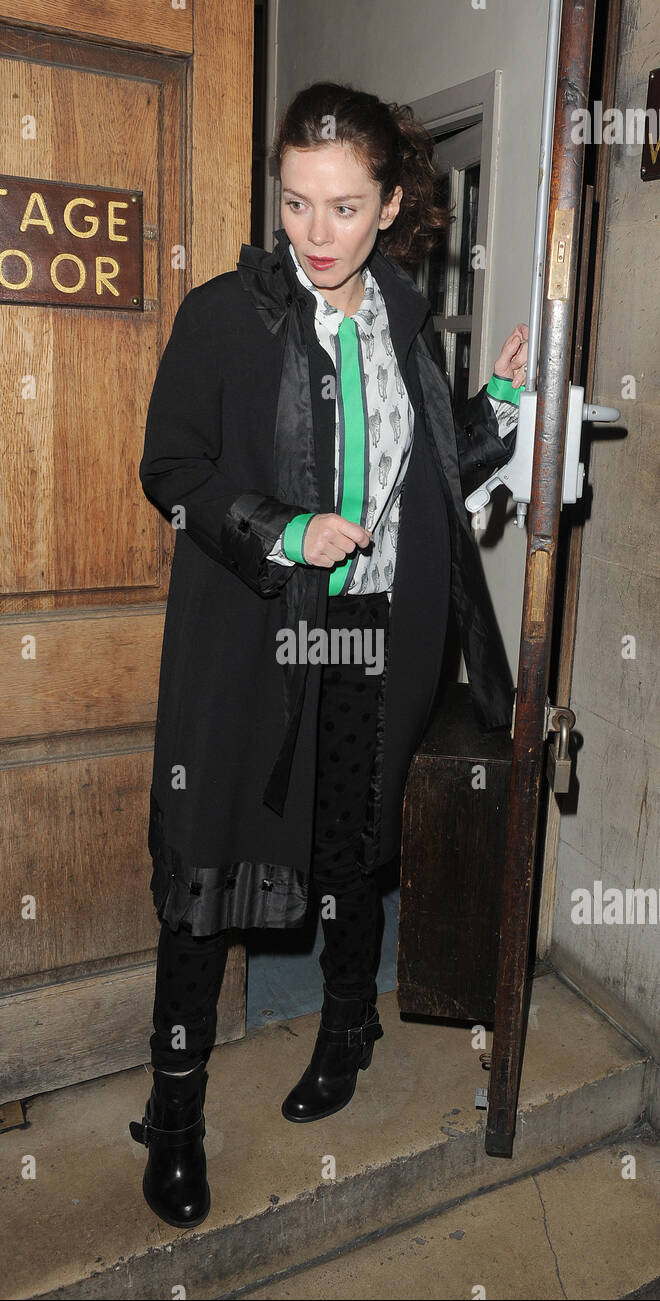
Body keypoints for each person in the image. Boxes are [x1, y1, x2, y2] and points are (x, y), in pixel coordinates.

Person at [129, 81, 528, 1229]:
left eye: (344, 207)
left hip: (375, 633)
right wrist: (282, 526)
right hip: (253, 640)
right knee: (209, 867)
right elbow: (172, 469)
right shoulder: (223, 316)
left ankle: (347, 1027)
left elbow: (423, 467)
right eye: (296, 202)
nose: (315, 232)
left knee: (353, 842)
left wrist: (497, 404)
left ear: (391, 204)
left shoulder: (402, 317)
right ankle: (174, 1112)